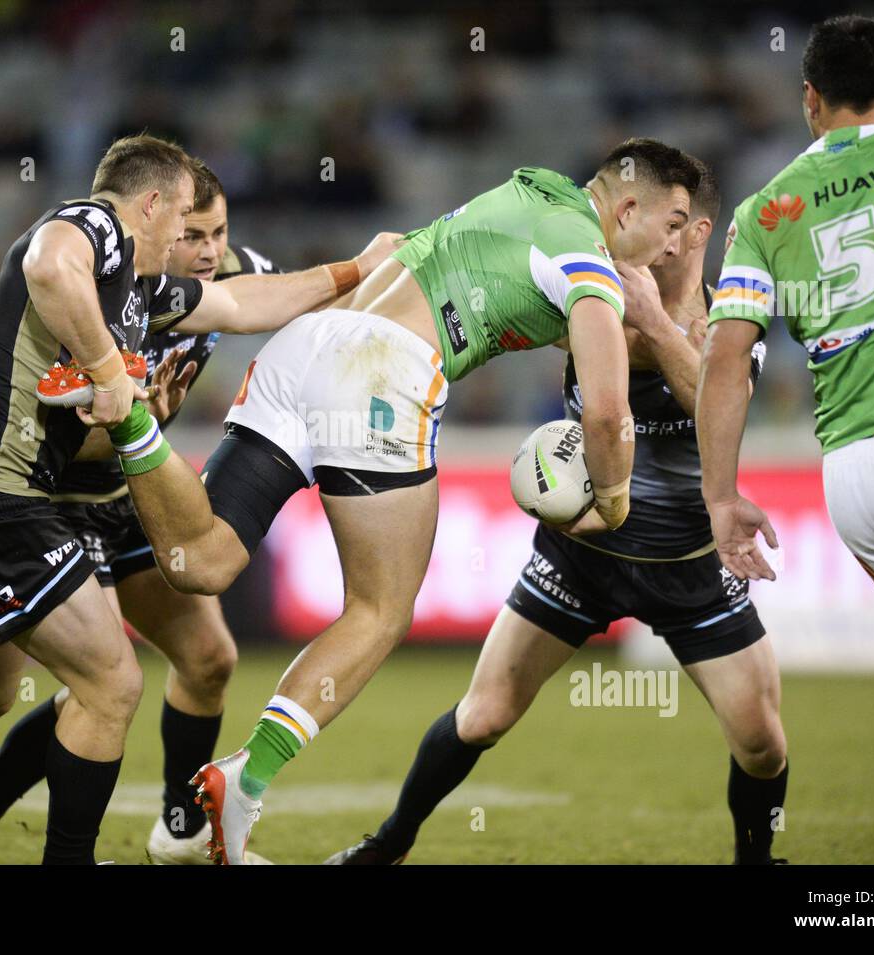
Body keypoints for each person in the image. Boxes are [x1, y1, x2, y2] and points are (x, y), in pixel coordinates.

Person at [0, 134, 397, 865]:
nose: (196, 239)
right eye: (185, 220)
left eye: (211, 228)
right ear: (151, 205)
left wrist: (357, 268)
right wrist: (109, 373)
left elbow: (242, 301)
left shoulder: (145, 283)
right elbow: (47, 261)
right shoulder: (97, 231)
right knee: (111, 682)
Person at [94, 138, 700, 862]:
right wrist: (614, 496)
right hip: (385, 373)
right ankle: (245, 779)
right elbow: (605, 412)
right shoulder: (589, 261)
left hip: (308, 343)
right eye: (671, 224)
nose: (671, 247)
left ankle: (133, 424)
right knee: (380, 611)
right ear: (626, 207)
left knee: (203, 561)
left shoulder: (529, 187)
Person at [328, 162, 788, 864]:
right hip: (581, 556)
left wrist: (658, 324)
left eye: (673, 228)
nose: (657, 242)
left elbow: (720, 403)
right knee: (481, 717)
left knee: (761, 744)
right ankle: (385, 847)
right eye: (650, 222)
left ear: (699, 232)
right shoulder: (585, 290)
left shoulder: (731, 314)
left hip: (689, 565)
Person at [0, 159, 282, 865]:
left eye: (220, 231)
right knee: (98, 688)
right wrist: (135, 413)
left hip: (130, 493)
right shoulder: (110, 279)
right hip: (59, 496)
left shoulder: (239, 275)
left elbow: (290, 306)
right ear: (158, 226)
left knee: (208, 657)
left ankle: (180, 828)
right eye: (193, 233)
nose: (209, 250)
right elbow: (66, 427)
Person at [697, 15, 874, 864]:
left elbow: (725, 360)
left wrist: (720, 499)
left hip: (855, 482)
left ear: (810, 101)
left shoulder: (762, 211)